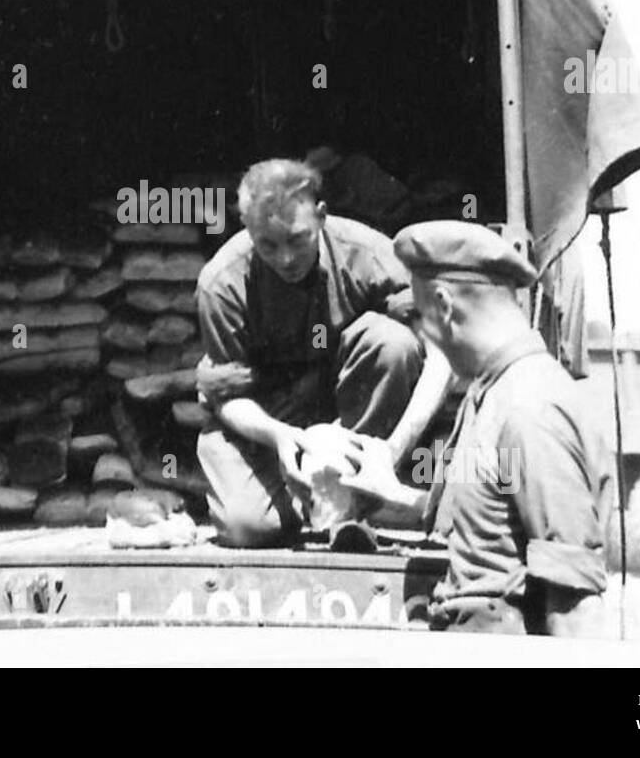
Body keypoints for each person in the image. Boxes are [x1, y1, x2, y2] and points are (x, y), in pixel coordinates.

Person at [341, 221, 612, 636]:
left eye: (419, 316)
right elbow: (492, 524)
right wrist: (393, 492)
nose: (420, 334)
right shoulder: (490, 394)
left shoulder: (529, 409)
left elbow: (575, 609)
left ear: (444, 305)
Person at [194, 158, 449, 548]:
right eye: (268, 244)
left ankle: (350, 495)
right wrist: (282, 438)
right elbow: (227, 397)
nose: (286, 259)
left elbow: (442, 356)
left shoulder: (368, 253)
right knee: (249, 527)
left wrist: (393, 450)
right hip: (266, 413)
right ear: (247, 228)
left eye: (297, 239)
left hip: (342, 400)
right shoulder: (221, 282)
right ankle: (316, 497)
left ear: (322, 216)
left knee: (392, 341)